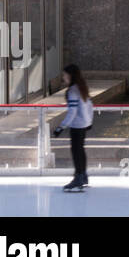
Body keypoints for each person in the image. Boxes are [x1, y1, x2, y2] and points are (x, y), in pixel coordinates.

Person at [53, 64, 94, 192]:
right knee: (80, 150)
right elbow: (89, 106)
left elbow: (72, 111)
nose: (63, 77)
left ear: (70, 75)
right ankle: (83, 175)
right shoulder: (81, 88)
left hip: (77, 125)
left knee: (76, 151)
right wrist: (89, 121)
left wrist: (61, 127)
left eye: (65, 74)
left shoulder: (72, 91)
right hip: (83, 124)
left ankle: (79, 177)